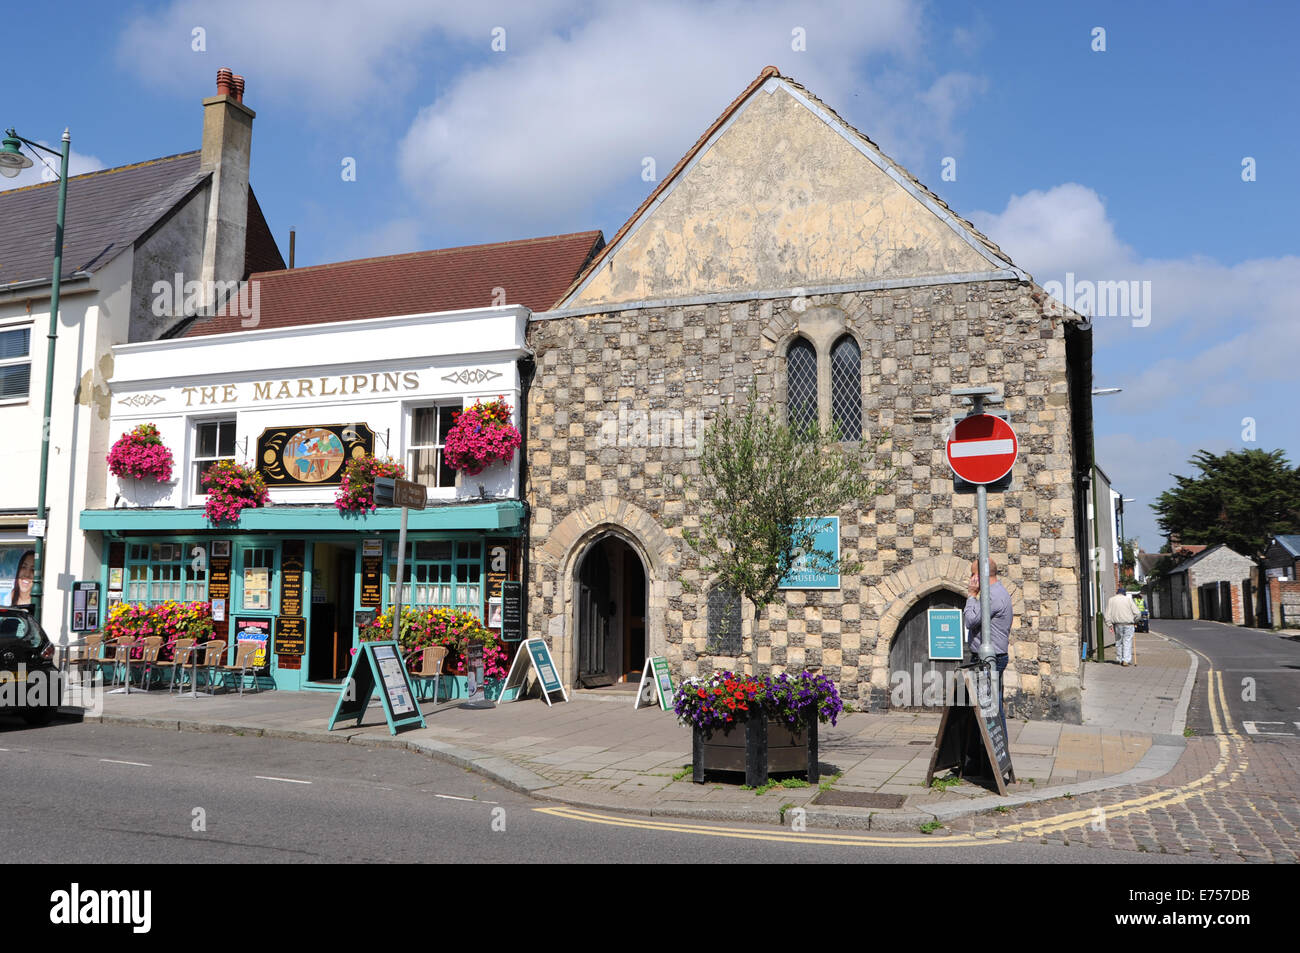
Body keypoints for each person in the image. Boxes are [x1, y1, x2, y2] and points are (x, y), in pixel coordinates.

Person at [964, 557, 1013, 733]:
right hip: (991, 657)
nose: (970, 578)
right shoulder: (995, 592)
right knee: (990, 707)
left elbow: (970, 620)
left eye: (972, 574)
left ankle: (997, 755)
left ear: (979, 576)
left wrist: (971, 595)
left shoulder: (992, 596)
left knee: (992, 709)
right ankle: (989, 754)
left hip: (989, 659)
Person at [1104, 583, 1141, 666]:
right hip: (1129, 624)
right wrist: (1135, 621)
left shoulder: (1111, 600)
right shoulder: (1128, 600)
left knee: (1119, 642)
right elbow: (1138, 613)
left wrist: (1109, 625)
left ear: (1117, 593)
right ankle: (1125, 660)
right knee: (1127, 641)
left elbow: (1107, 615)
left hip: (1117, 625)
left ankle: (1120, 659)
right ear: (1124, 594)